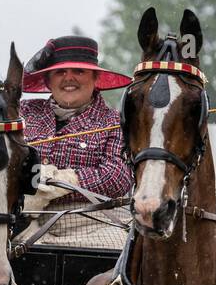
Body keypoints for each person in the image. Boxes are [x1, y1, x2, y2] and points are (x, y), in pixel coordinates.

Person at [19, 36, 133, 248]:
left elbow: (117, 175)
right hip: (25, 225)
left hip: (94, 224)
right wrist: (27, 185)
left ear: (95, 77)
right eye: (60, 72)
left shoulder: (114, 121)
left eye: (79, 71)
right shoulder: (24, 112)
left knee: (119, 255)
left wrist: (65, 181)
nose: (68, 78)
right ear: (48, 80)